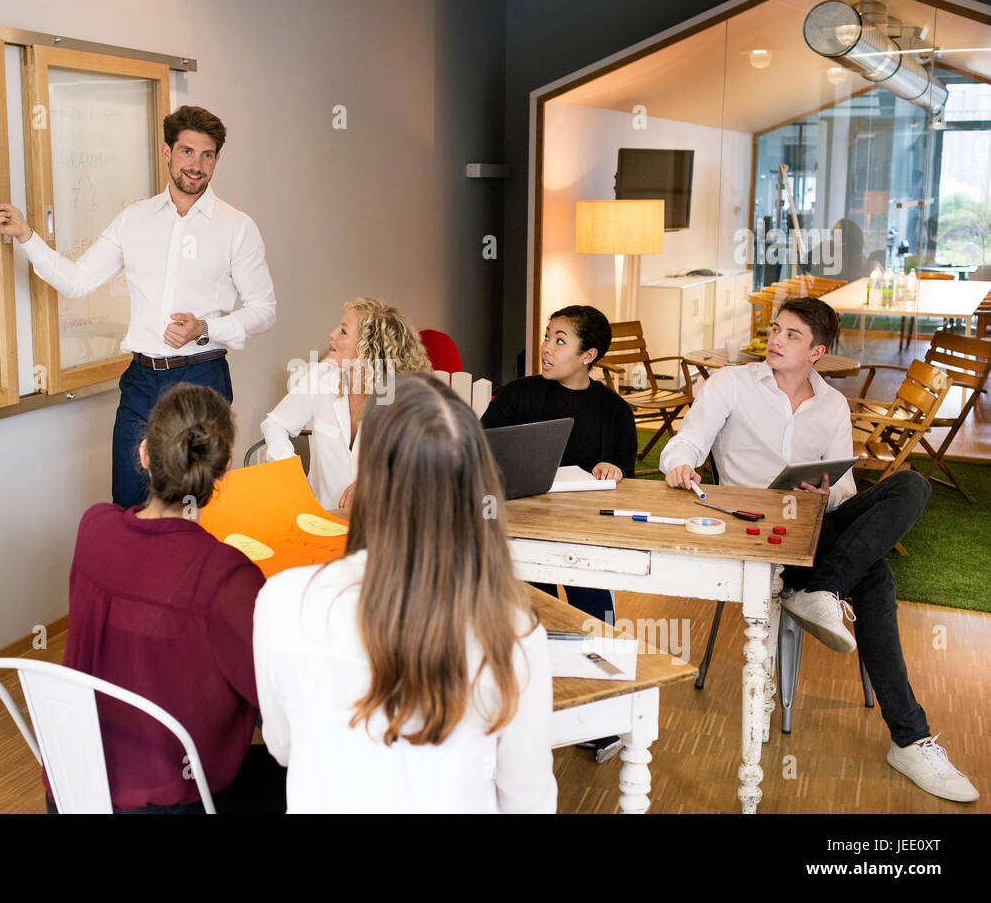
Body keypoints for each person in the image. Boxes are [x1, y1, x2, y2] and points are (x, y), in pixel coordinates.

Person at [660, 297, 978, 803]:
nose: (775, 342)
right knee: (877, 579)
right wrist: (679, 465)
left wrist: (825, 493)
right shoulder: (731, 385)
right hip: (757, 525)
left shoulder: (831, 404)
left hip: (816, 522)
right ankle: (911, 738)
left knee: (912, 486)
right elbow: (688, 441)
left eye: (790, 336)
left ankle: (822, 589)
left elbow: (847, 492)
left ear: (817, 352)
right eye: (774, 330)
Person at [253, 374, 557, 812]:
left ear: (366, 473)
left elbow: (284, 747)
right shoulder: (513, 627)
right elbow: (527, 798)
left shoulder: (283, 600)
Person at [0, 105, 277, 509]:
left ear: (217, 159)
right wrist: (26, 234)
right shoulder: (133, 220)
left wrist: (204, 328)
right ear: (167, 152)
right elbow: (77, 280)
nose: (196, 165)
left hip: (202, 381)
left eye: (207, 155)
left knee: (200, 506)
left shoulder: (236, 227)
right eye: (187, 152)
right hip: (141, 382)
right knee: (128, 503)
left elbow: (264, 309)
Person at [47, 383, 284, 813]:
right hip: (172, 799)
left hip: (72, 788)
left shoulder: (93, 529)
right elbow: (274, 702)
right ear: (224, 471)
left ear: (142, 454)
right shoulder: (225, 575)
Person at [481, 304, 635, 764]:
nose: (546, 347)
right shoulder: (518, 395)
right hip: (523, 529)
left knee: (591, 615)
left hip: (585, 532)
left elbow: (624, 467)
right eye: (547, 336)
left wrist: (614, 470)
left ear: (589, 355)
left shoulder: (613, 409)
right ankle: (533, 711)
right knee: (533, 616)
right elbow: (479, 446)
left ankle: (604, 715)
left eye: (560, 340)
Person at [260, 297, 431, 509]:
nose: (331, 334)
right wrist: (290, 468)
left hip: (381, 524)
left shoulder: (403, 398)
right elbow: (275, 424)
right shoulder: (321, 378)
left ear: (368, 349)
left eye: (343, 331)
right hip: (320, 520)